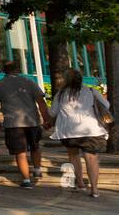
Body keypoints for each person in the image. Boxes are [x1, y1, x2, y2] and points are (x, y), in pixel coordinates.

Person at [47, 68, 111, 199]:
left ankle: (80, 183)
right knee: (91, 159)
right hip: (91, 130)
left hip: (69, 131)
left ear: (66, 80)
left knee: (73, 156)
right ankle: (94, 189)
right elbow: (106, 105)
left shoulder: (60, 94)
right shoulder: (91, 91)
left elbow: (52, 112)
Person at [0, 60, 50, 188]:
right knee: (35, 146)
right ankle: (37, 169)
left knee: (20, 152)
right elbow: (41, 102)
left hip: (13, 123)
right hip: (32, 120)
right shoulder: (29, 82)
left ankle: (26, 180)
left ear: (4, 71)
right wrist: (46, 118)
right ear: (18, 69)